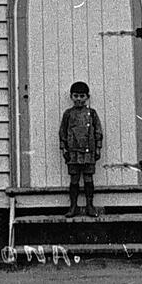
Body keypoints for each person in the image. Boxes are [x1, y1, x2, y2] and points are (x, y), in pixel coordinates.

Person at [58, 80, 103, 218]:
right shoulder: (68, 114)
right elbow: (62, 132)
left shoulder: (92, 113)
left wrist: (98, 148)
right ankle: (73, 206)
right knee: (74, 179)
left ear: (87, 97)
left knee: (88, 178)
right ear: (71, 96)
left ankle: (90, 206)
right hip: (73, 152)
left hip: (89, 152)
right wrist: (64, 148)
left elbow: (98, 132)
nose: (79, 99)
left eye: (82, 96)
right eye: (76, 96)